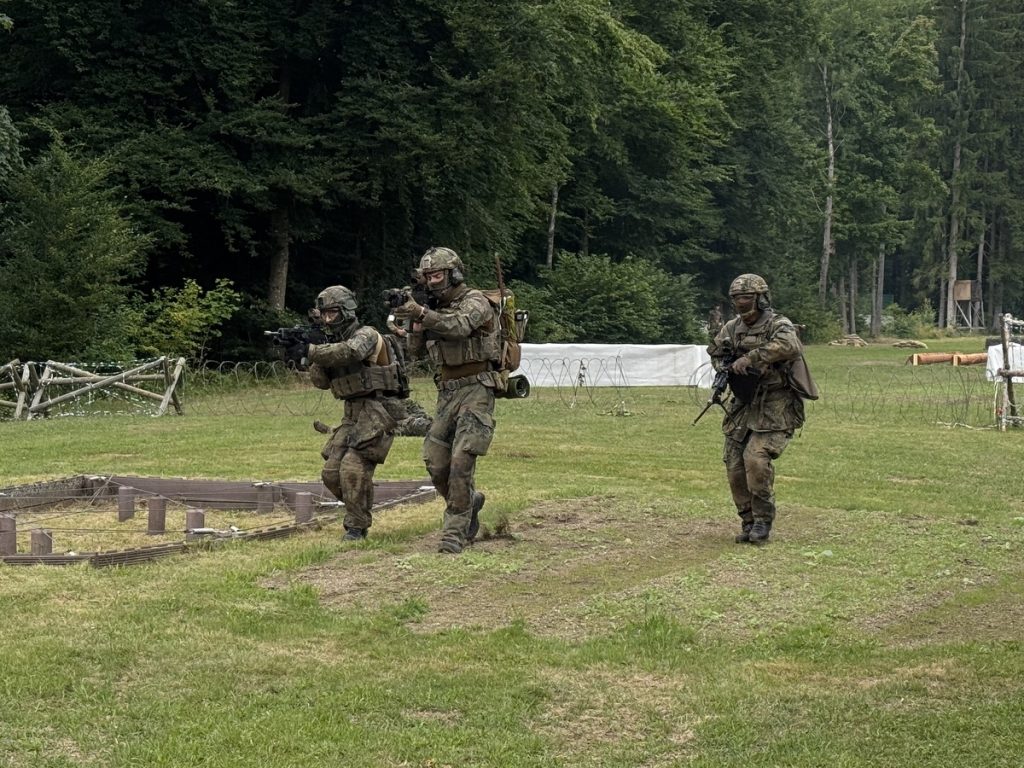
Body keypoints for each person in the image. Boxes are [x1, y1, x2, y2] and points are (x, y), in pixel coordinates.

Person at [393, 247, 497, 554]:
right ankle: (468, 502)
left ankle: (454, 532)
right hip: (447, 392)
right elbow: (414, 351)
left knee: (461, 461)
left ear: (454, 274)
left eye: (437, 275)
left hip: (477, 387)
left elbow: (460, 326)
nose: (431, 281)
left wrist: (422, 313)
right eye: (427, 276)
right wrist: (414, 323)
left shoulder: (475, 301)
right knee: (436, 462)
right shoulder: (431, 307)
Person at [707, 274, 806, 545]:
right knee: (734, 463)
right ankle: (747, 520)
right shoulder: (732, 328)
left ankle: (763, 521)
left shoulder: (778, 324)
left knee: (756, 459)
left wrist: (752, 358)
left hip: (776, 403)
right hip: (744, 403)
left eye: (747, 297)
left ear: (761, 298)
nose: (742, 303)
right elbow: (715, 351)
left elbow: (790, 345)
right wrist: (726, 368)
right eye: (737, 298)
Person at [305, 285, 403, 541]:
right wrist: (314, 357)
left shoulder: (366, 334)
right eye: (324, 314)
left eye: (333, 313)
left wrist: (312, 350)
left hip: (378, 410)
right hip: (351, 414)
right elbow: (321, 383)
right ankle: (358, 509)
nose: (328, 319)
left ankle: (356, 527)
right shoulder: (330, 345)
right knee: (330, 473)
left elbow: (352, 352)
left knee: (352, 468)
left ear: (347, 311)